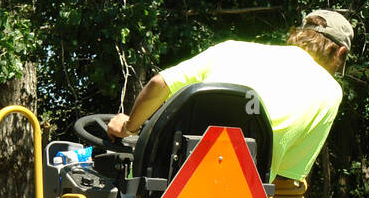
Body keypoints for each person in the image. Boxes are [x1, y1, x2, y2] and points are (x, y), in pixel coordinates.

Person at [106, 10, 353, 182]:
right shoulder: (330, 92)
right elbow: (288, 178)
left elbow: (159, 83)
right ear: (340, 51)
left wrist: (129, 127)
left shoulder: (232, 49)